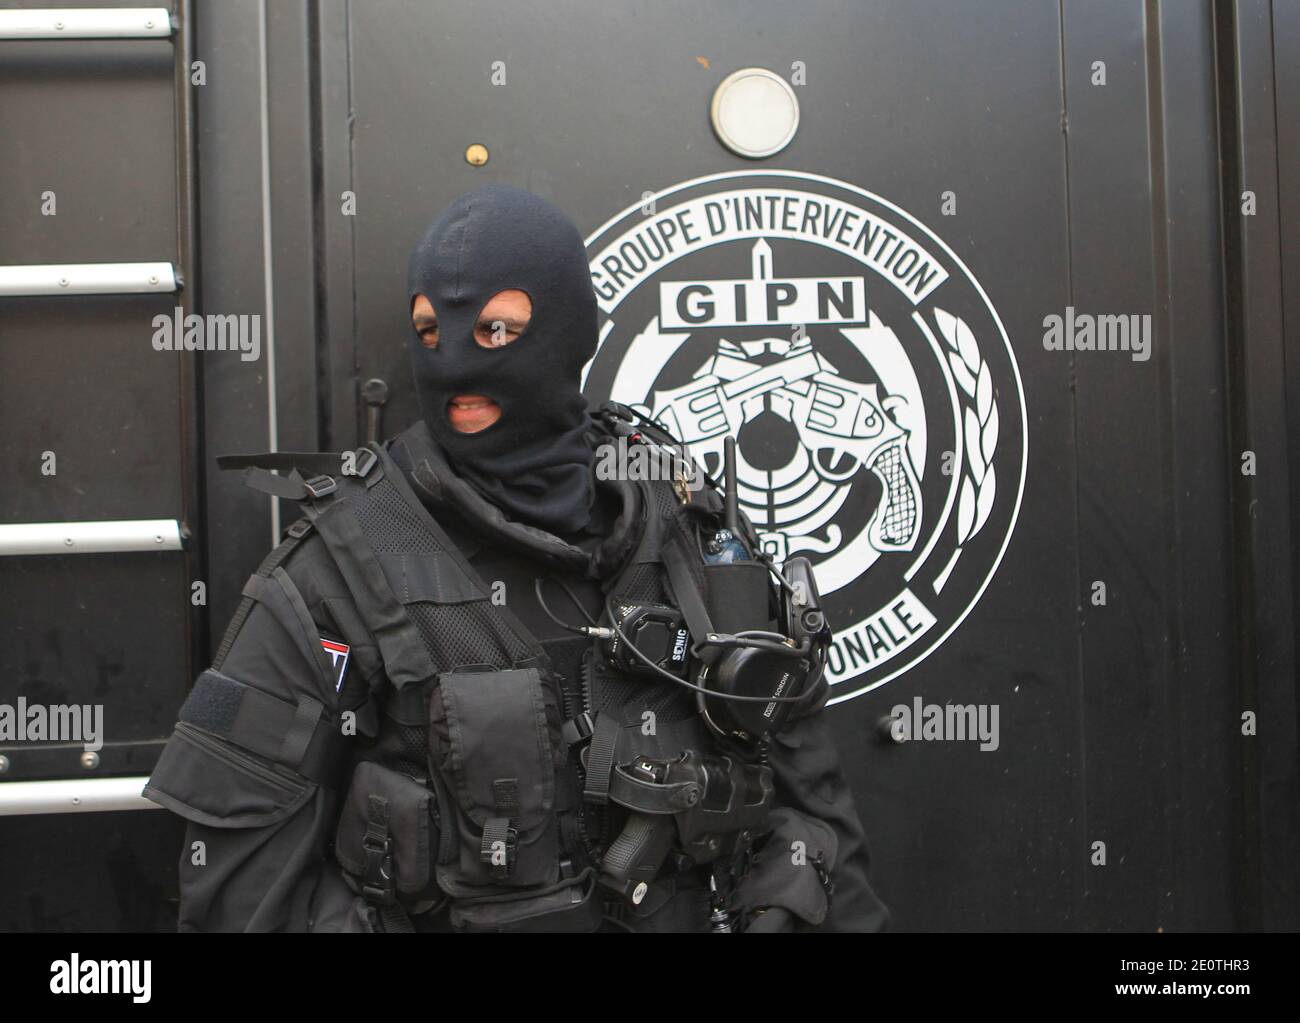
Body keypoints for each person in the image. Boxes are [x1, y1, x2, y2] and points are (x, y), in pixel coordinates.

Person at [144, 183, 890, 933]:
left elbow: (815, 800)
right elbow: (240, 902)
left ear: (570, 331)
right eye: (430, 332)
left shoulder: (689, 520)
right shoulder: (335, 574)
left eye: (498, 329)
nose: (458, 364)